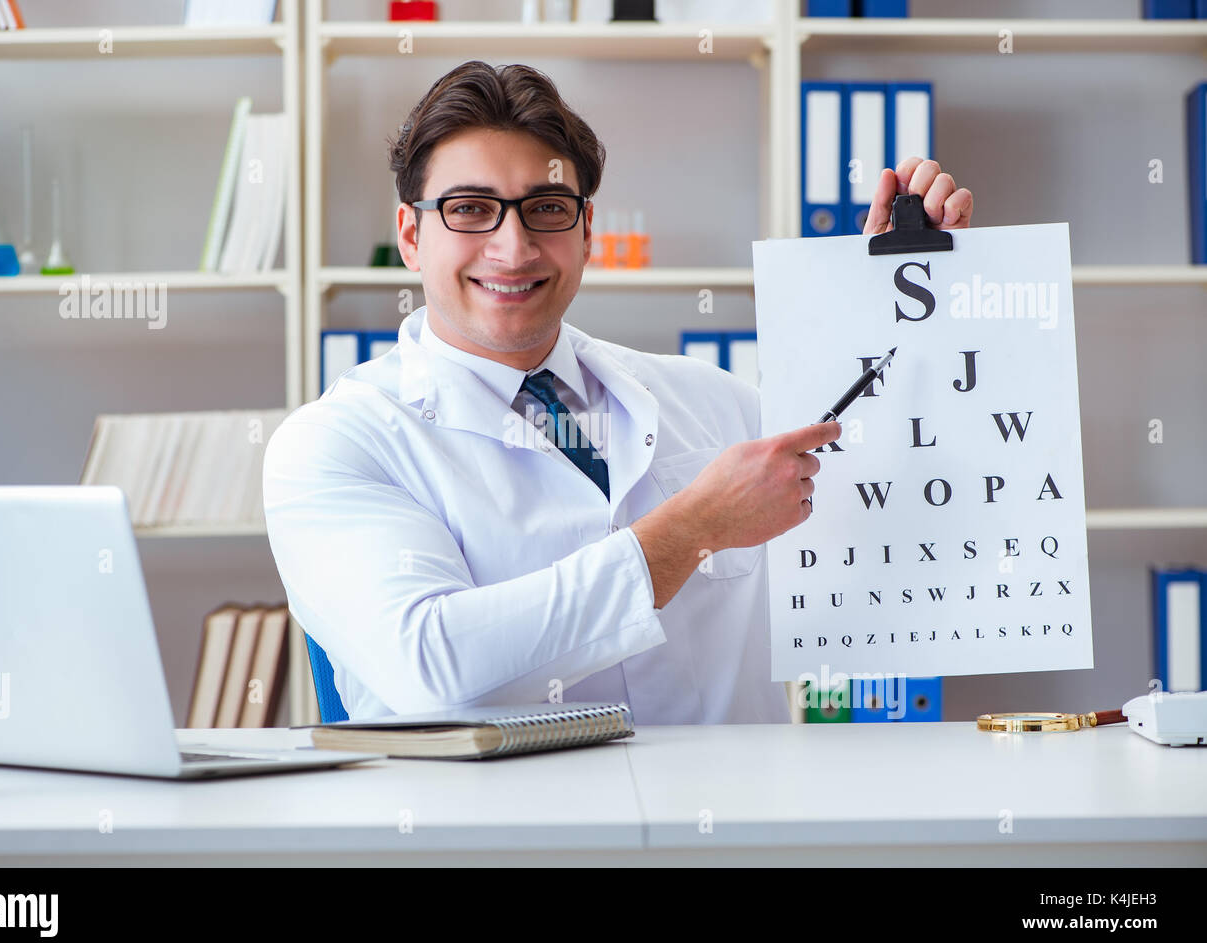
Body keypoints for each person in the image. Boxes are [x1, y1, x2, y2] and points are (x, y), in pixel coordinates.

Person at [262, 60, 974, 723]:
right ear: (411, 236)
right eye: (471, 209)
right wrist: (690, 530)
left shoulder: (719, 403)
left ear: (587, 229)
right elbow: (431, 665)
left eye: (546, 207)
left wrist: (896, 300)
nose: (512, 248)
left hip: (739, 832)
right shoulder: (333, 445)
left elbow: (906, 514)